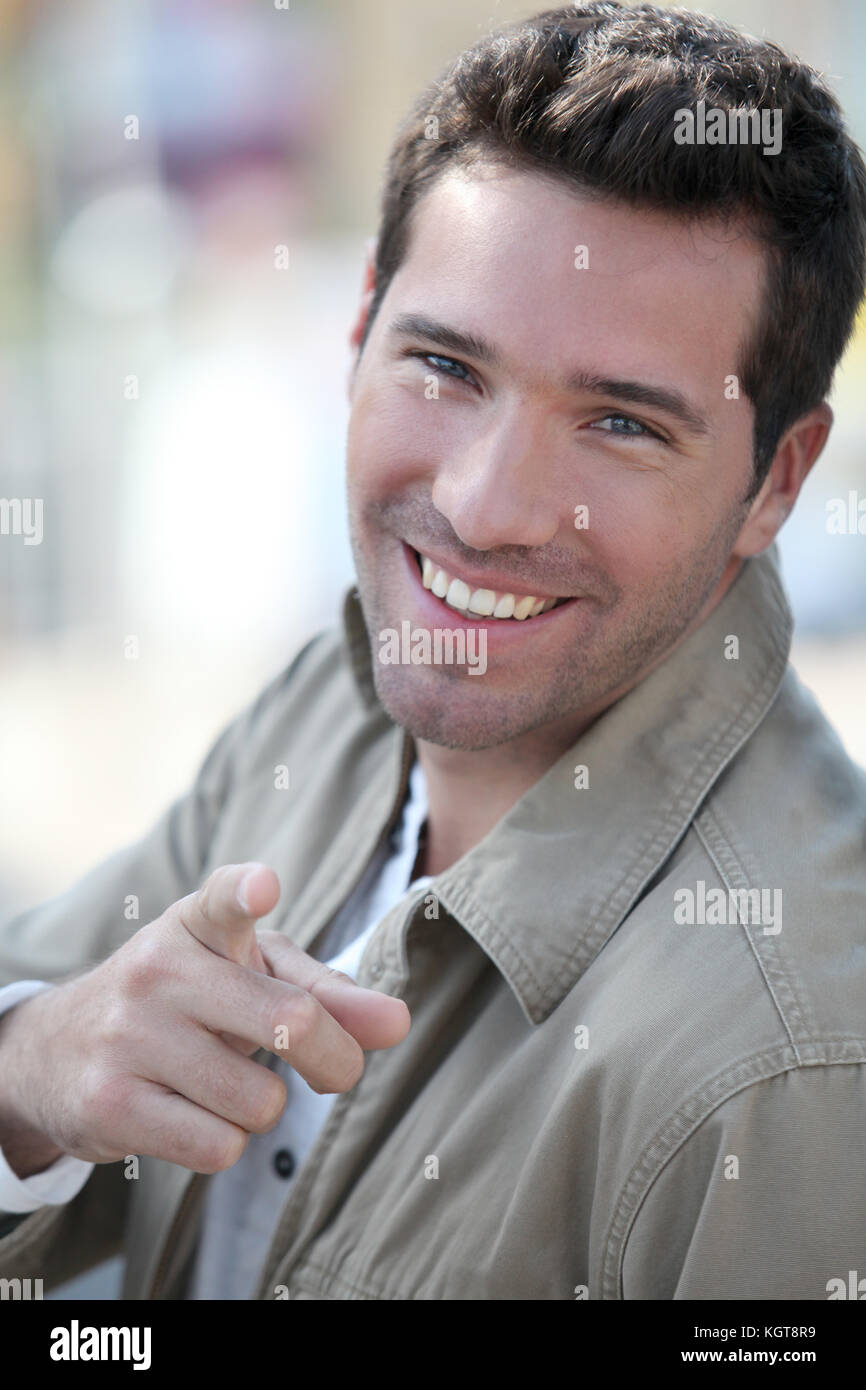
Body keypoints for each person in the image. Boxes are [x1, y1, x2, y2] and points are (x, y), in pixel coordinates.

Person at [1, 1, 864, 1301]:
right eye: (447, 365)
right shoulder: (336, 700)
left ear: (773, 478)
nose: (482, 507)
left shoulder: (792, 1066)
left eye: (621, 424)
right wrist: (30, 1073)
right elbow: (69, 1034)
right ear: (360, 326)